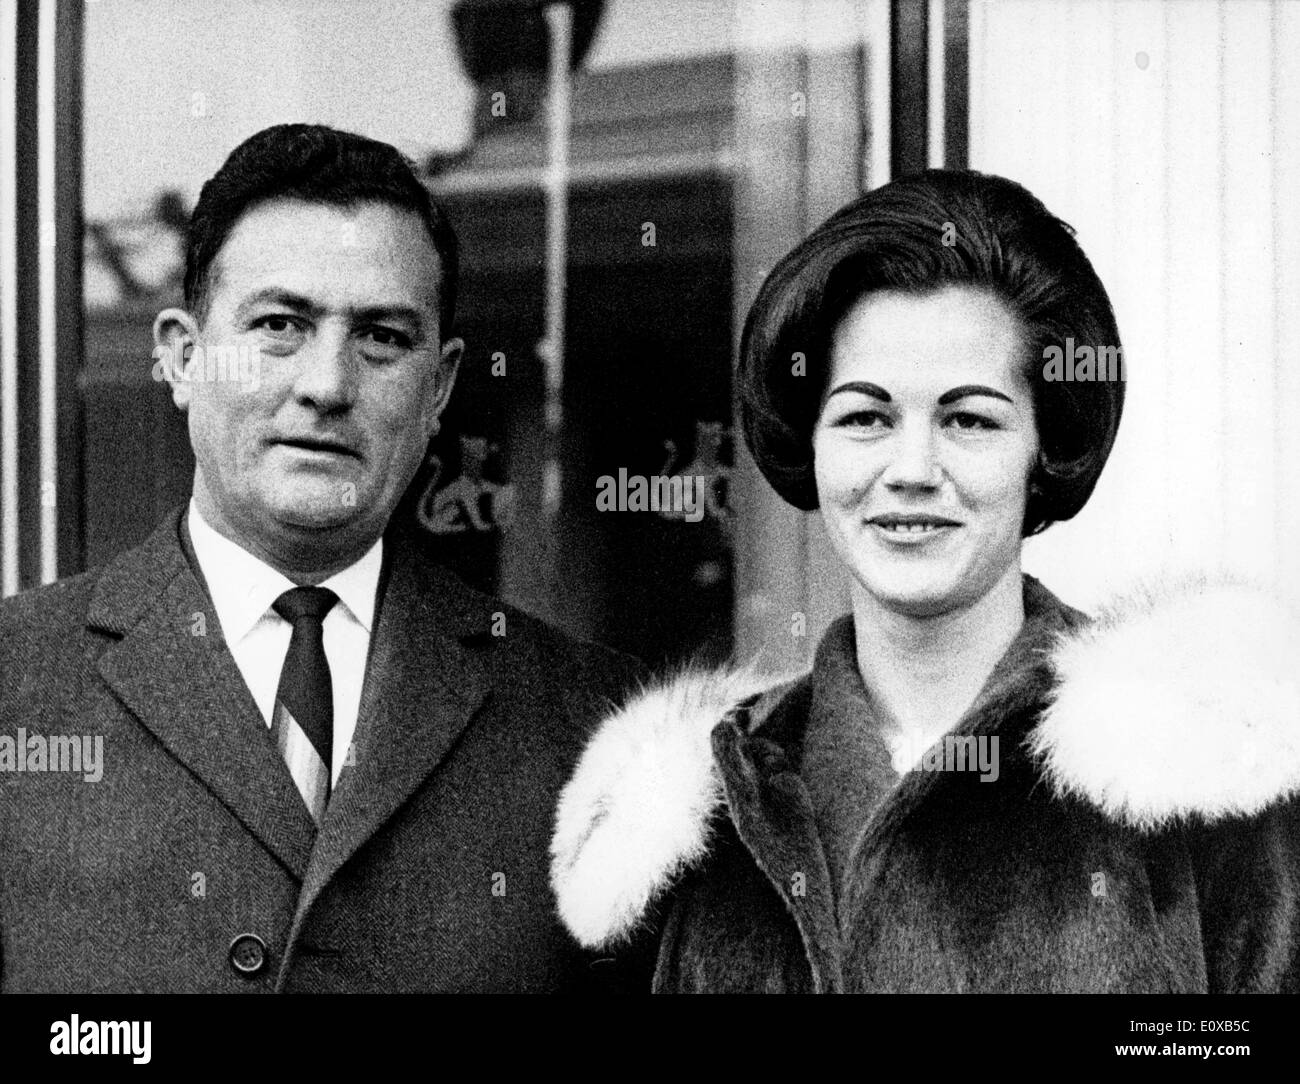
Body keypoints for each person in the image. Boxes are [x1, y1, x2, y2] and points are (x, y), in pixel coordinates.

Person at [551, 169, 1300, 993]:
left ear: (1041, 450)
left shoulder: (1205, 775)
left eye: (969, 420)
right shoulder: (689, 817)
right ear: (814, 447)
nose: (911, 470)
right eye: (866, 418)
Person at [0, 123, 643, 992]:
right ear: (182, 357)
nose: (327, 383)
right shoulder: (15, 685)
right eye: (279, 324)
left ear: (440, 386)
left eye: (381, 336)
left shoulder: (594, 727)